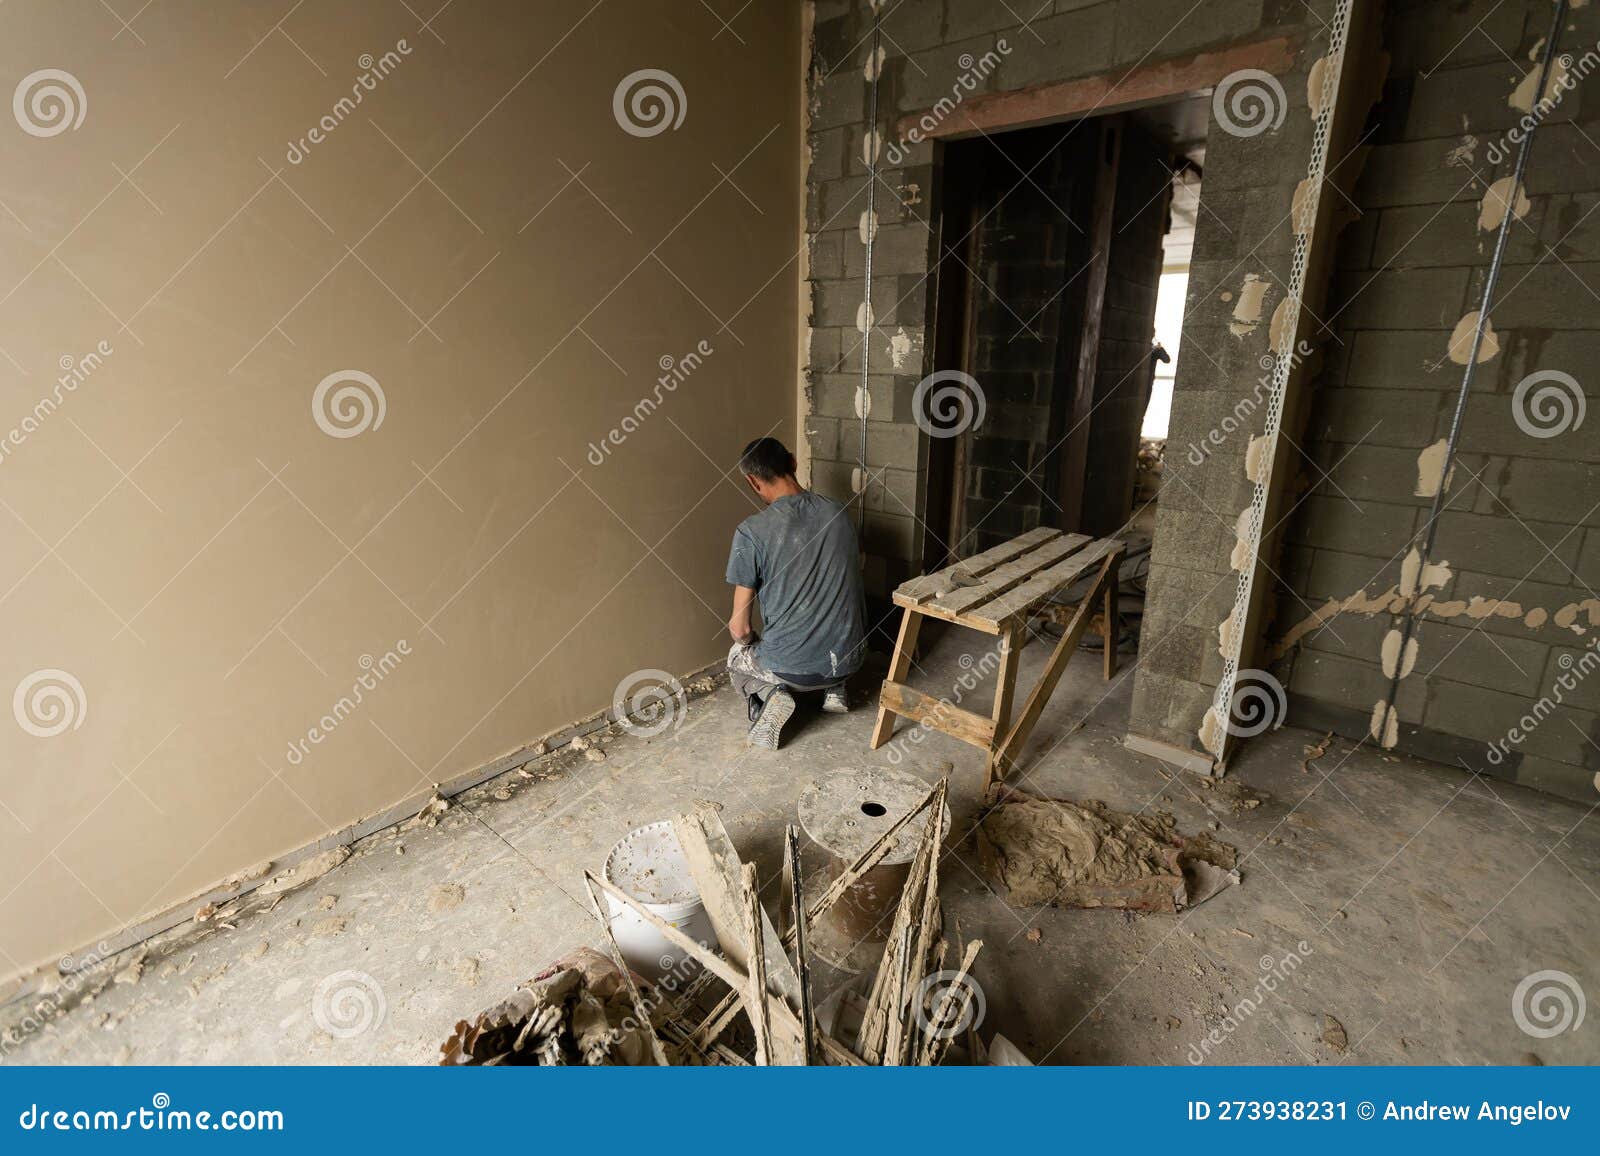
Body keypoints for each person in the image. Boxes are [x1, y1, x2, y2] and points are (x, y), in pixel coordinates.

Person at [725, 437, 865, 749]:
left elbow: (740, 628)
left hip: (795, 670)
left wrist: (756, 646)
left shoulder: (752, 532)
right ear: (793, 463)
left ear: (752, 481)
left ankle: (772, 693)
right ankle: (835, 690)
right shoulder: (839, 514)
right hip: (851, 658)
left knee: (736, 658)